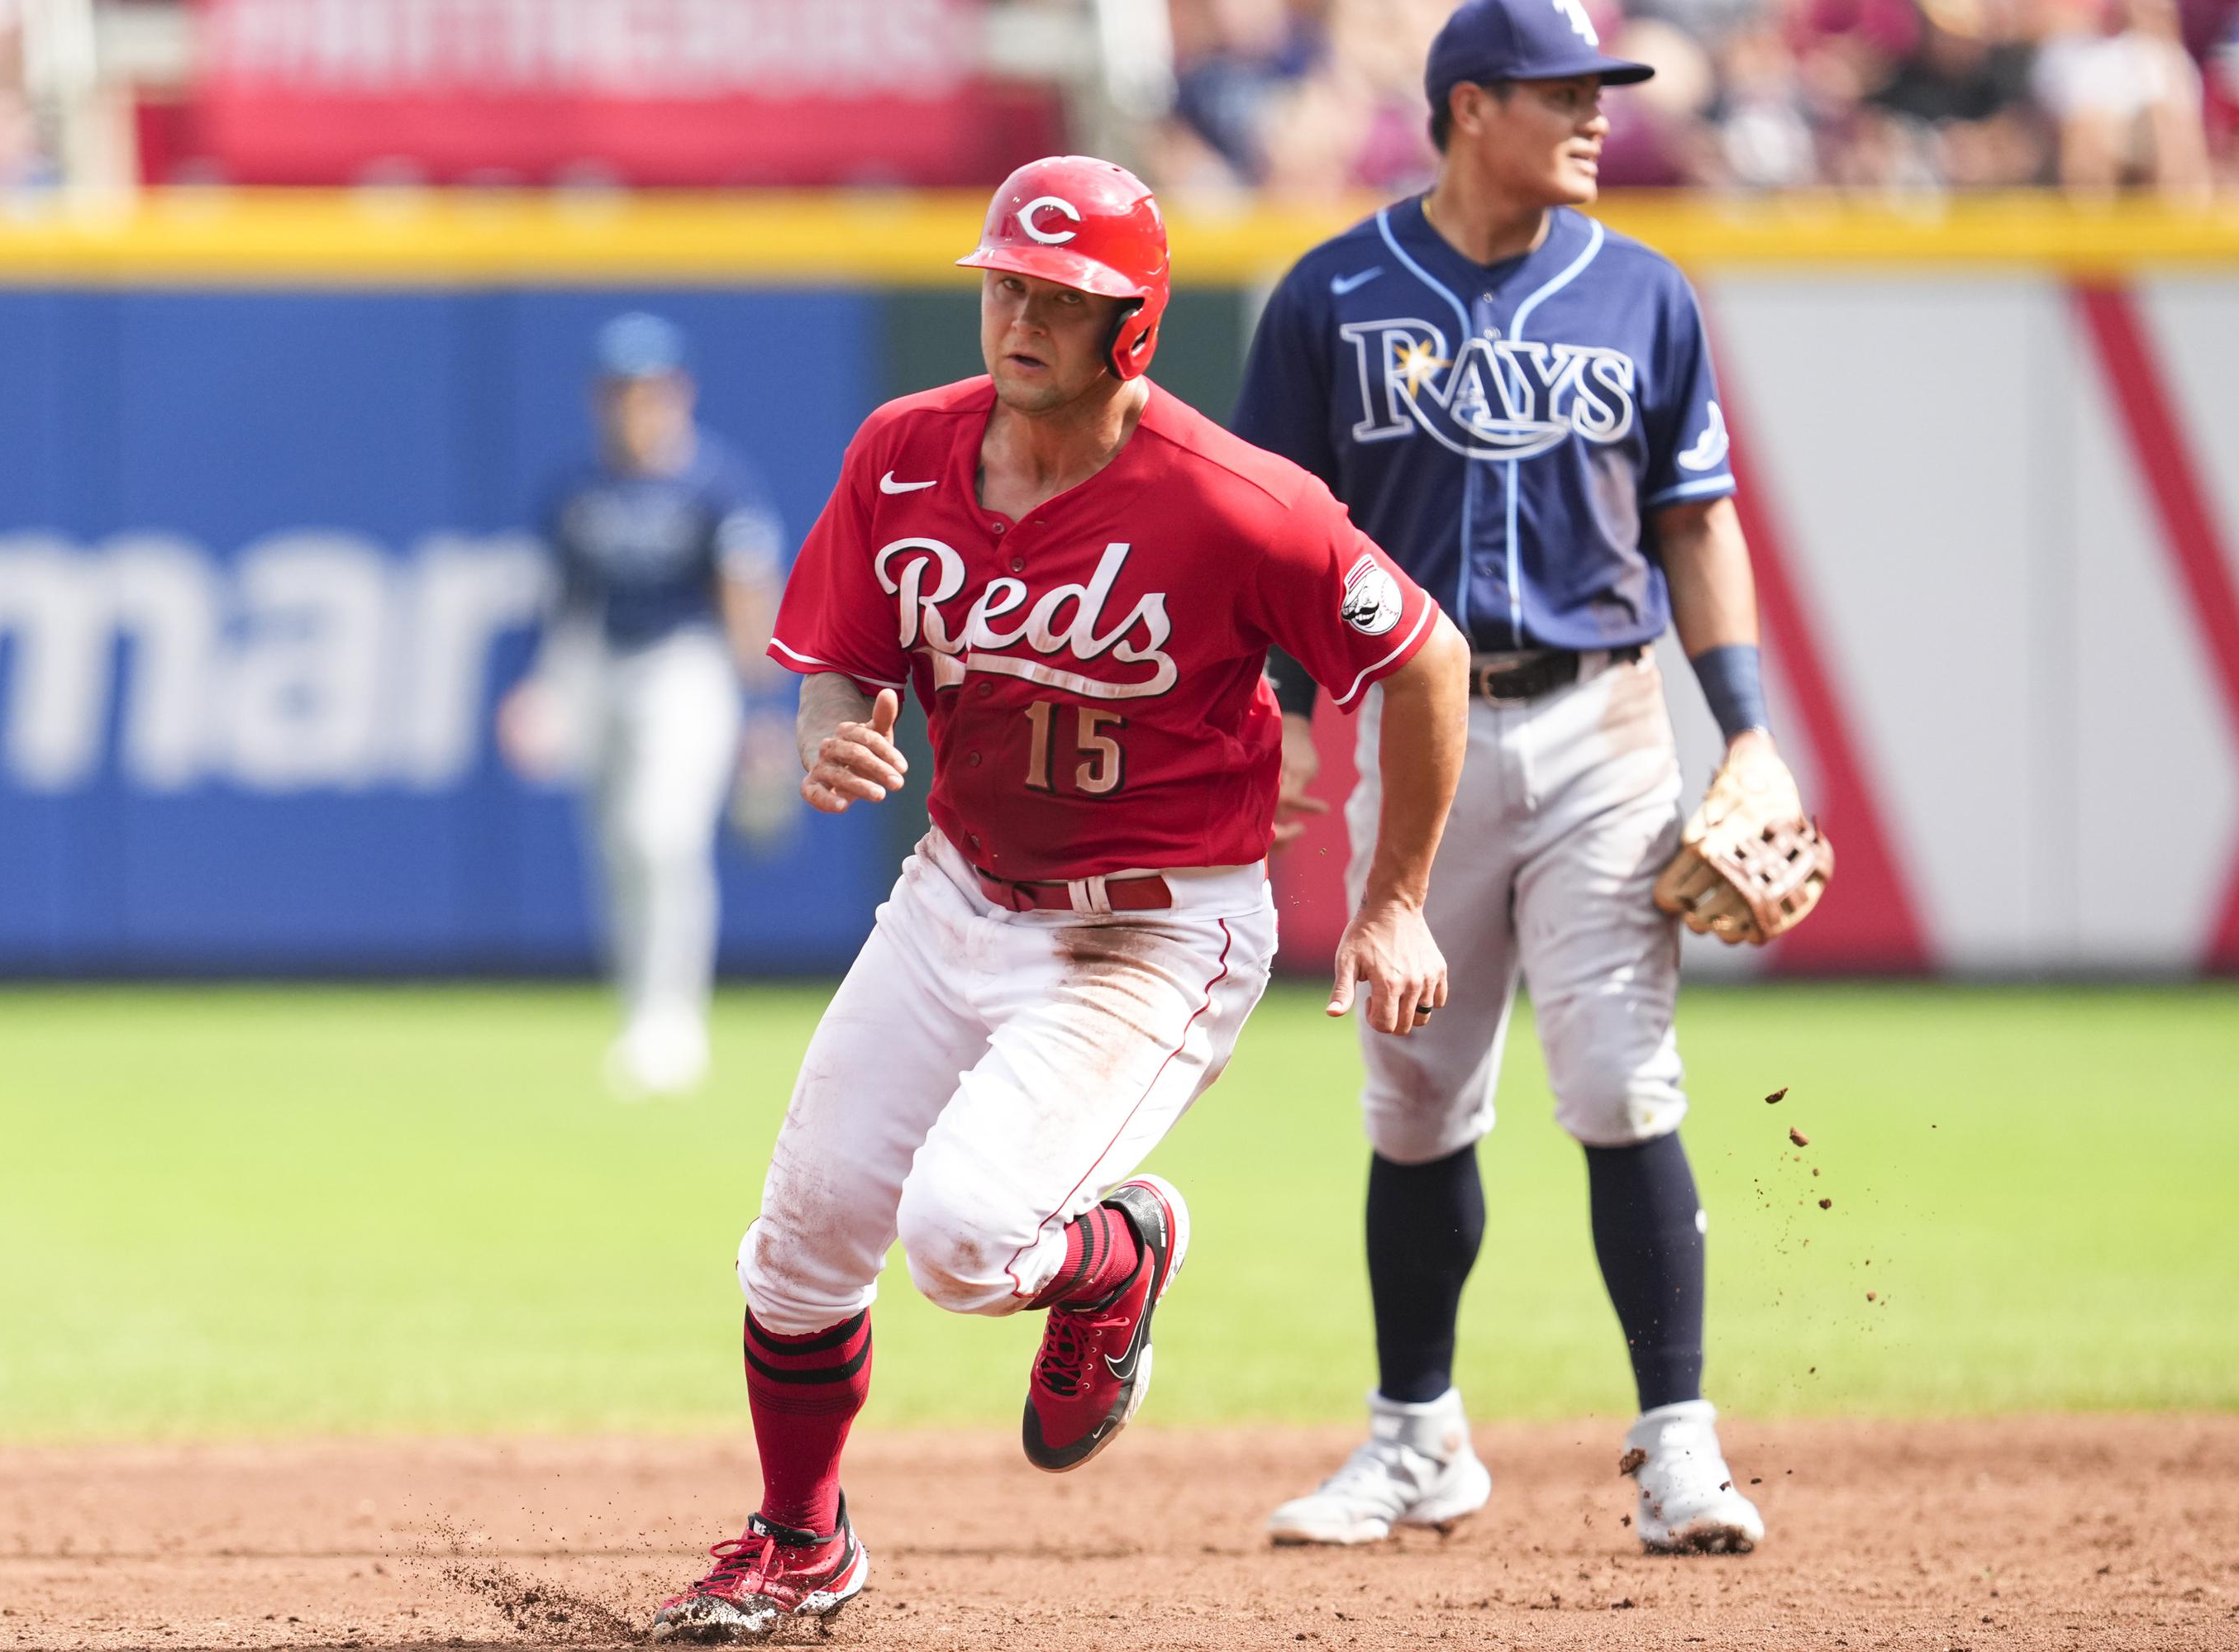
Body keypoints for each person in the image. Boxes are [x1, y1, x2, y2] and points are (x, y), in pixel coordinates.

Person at [645, 155, 1470, 1642]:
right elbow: (844, 647)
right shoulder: (905, 448)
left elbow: (1427, 658)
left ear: (1131, 324)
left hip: (1152, 927)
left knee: (963, 1237)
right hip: (958, 884)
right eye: (1004, 283)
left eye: (1060, 296)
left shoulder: (1236, 501)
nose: (1018, 314)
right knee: (805, 1231)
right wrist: (833, 719)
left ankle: (1123, 1245)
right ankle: (800, 1536)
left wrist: (1395, 895)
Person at [1236, 0, 1805, 1555]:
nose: (1600, 118)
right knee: (1416, 1101)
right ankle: (1418, 1436)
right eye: (1567, 93)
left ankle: (1679, 1444)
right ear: (1469, 105)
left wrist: (1743, 724)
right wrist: (1282, 709)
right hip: (1413, 743)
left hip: (1605, 725)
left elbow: (1695, 519)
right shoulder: (1332, 296)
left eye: (1602, 91)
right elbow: (1274, 532)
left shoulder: (1643, 292)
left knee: (1624, 1080)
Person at [498, 314, 783, 1098]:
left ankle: (673, 1022)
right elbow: (554, 600)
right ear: (600, 397)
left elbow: (744, 600)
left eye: (649, 388)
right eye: (621, 389)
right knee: (617, 847)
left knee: (663, 837)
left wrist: (763, 710)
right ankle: (640, 1012)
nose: (635, 403)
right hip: (599, 663)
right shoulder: (578, 488)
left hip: (685, 668)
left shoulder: (715, 482)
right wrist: (532, 686)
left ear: (678, 392)